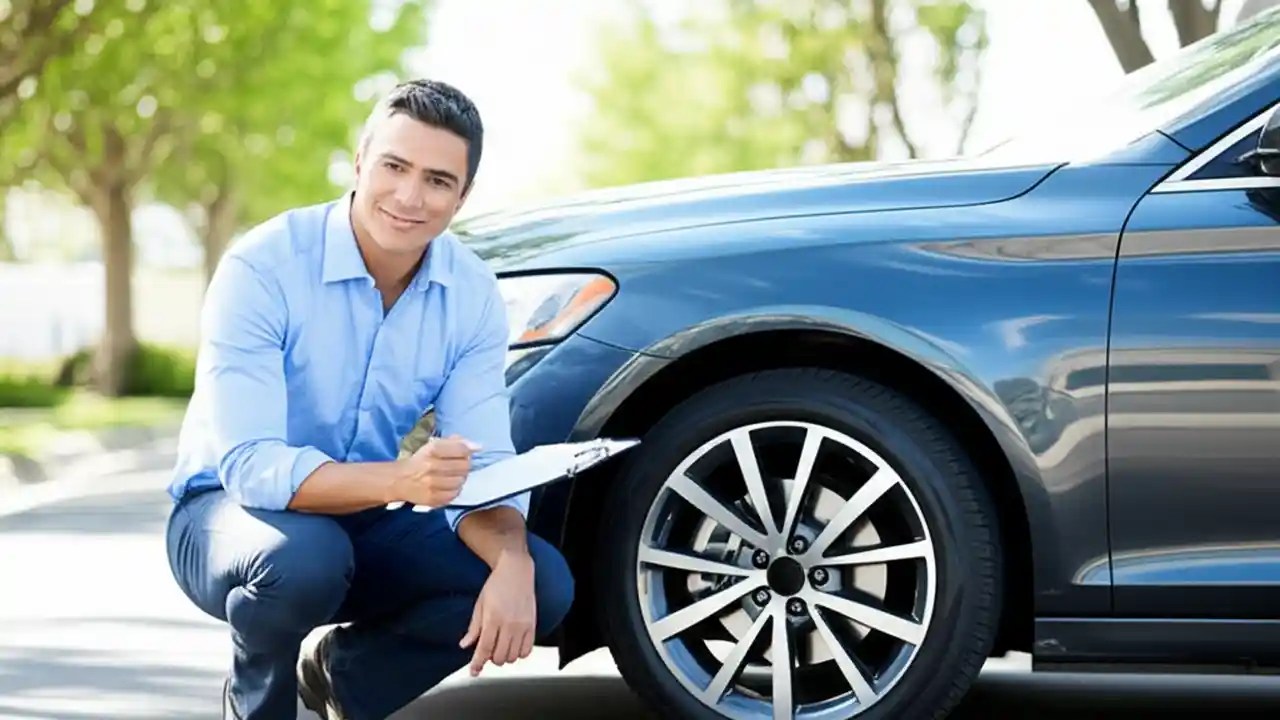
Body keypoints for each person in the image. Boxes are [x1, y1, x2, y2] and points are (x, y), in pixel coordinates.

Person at [163, 79, 575, 720]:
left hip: (366, 519)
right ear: (359, 163)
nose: (410, 197)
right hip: (226, 516)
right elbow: (249, 465)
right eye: (394, 166)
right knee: (302, 560)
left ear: (462, 197)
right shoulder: (264, 267)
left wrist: (513, 560)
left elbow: (486, 463)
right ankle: (257, 703)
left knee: (544, 583)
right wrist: (403, 479)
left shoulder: (469, 293)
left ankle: (342, 680)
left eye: (438, 181)